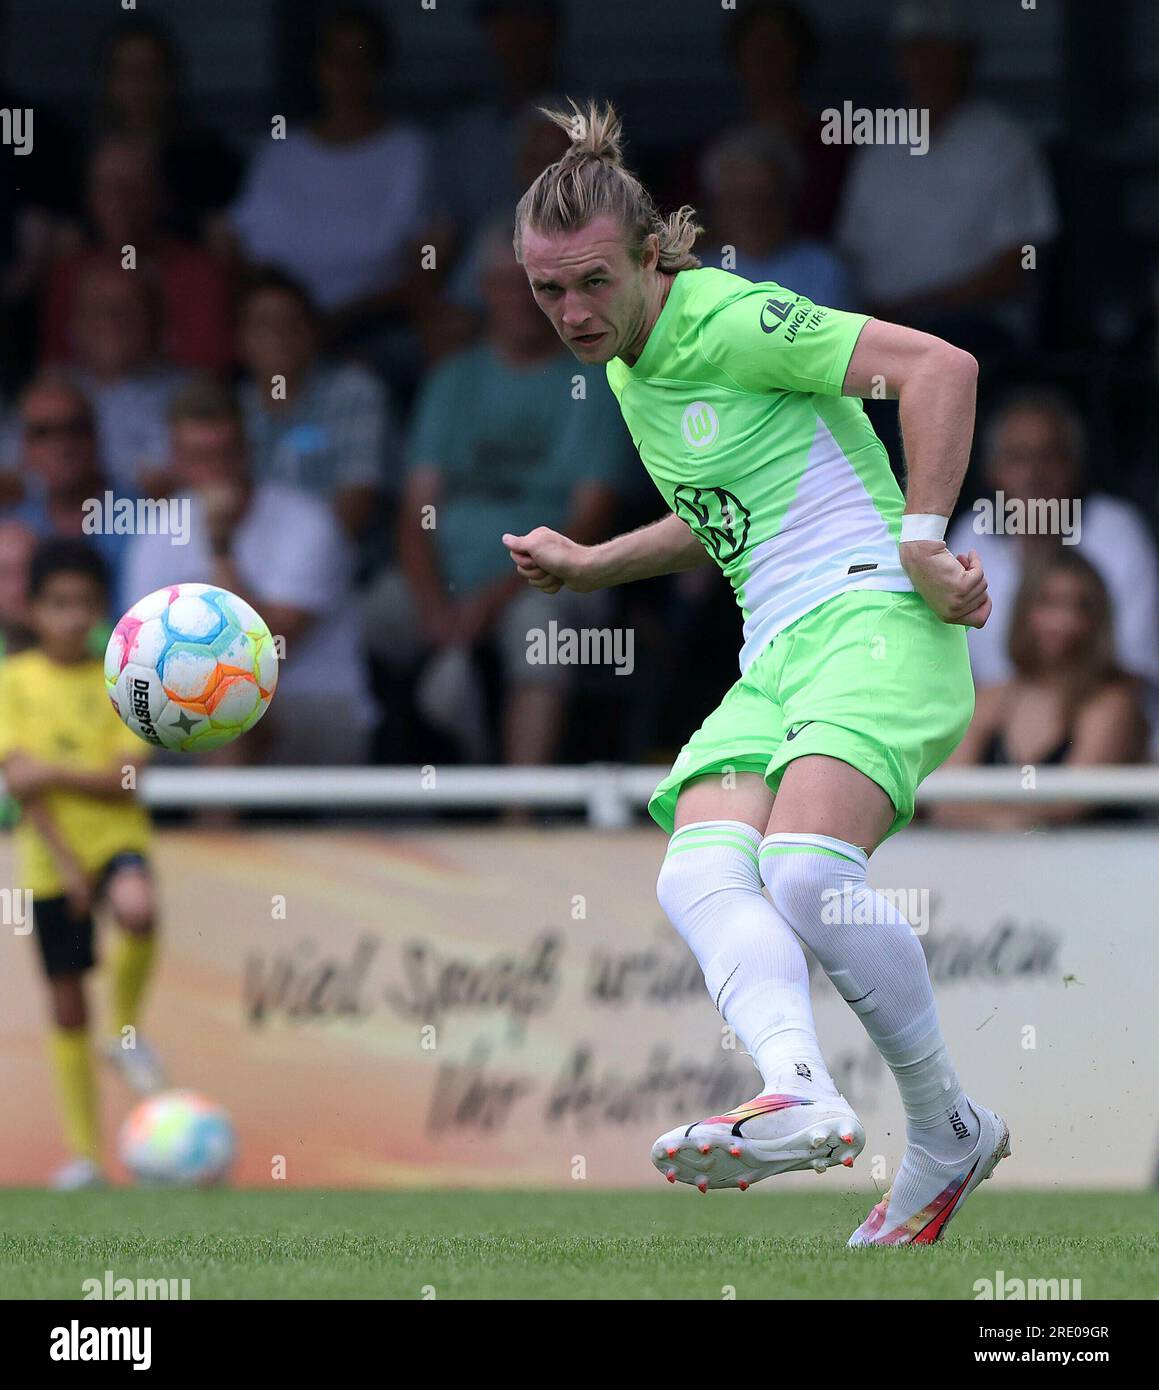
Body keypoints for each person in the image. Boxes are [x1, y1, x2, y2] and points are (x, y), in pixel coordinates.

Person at [504, 101, 1006, 1247]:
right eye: (546, 293)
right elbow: (719, 510)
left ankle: (942, 1126)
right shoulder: (631, 362)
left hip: (874, 616)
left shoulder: (730, 318)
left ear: (648, 257)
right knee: (697, 872)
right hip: (776, 649)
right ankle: (804, 1090)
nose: (571, 313)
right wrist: (593, 565)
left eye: (589, 283)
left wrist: (924, 535)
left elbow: (940, 365)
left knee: (805, 872)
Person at [366, 221, 630, 766]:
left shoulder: (596, 381)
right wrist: (435, 603)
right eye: (505, 284)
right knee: (371, 615)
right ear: (484, 291)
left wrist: (489, 600)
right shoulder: (451, 380)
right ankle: (376, 791)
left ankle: (520, 810)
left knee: (537, 630)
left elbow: (589, 522)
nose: (519, 299)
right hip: (445, 576)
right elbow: (417, 514)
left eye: (536, 285)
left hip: (554, 579)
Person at [0, 539, 163, 1190]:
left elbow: (126, 778)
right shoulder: (12, 679)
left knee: (137, 907)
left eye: (84, 605)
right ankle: (86, 1158)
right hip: (51, 860)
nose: (71, 618)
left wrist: (55, 772)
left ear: (102, 610)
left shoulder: (121, 676)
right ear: (33, 608)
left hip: (117, 840)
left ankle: (126, 1031)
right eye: (57, 604)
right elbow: (21, 786)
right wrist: (66, 863)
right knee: (67, 1004)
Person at [121, 378, 375, 765]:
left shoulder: (309, 523)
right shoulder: (159, 526)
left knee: (223, 698)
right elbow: (138, 642)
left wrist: (220, 544)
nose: (216, 470)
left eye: (226, 453)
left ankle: (216, 829)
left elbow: (260, 650)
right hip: (186, 699)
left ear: (249, 451)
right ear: (176, 460)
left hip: (315, 707)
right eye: (199, 457)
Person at [836, 0, 1058, 352]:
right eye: (917, 50)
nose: (928, 64)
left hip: (975, 331)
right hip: (879, 331)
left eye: (942, 50)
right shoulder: (879, 147)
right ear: (900, 59)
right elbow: (850, 254)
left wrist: (921, 307)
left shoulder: (1005, 141)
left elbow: (1017, 263)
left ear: (967, 57)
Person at [946, 388, 1159, 702]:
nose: (1034, 474)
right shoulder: (970, 535)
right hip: (988, 732)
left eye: (1050, 456)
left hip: (1102, 729)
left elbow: (1135, 673)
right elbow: (944, 668)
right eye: (1018, 457)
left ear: (1075, 465)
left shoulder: (1117, 531)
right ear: (992, 471)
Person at [931, 551, 1148, 829]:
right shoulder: (991, 699)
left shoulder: (1114, 703)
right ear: (1024, 610)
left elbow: (1070, 801)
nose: (1063, 619)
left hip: (1090, 866)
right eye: (1049, 602)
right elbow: (945, 798)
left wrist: (987, 819)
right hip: (987, 867)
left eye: (1080, 606)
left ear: (1098, 619)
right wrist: (1010, 825)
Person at [40, 134, 233, 373]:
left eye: (133, 187)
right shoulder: (68, 274)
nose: (119, 200)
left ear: (161, 196)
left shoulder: (201, 275)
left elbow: (207, 375)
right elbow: (56, 369)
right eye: (105, 187)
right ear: (89, 198)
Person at [236, 267, 396, 540]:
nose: (278, 336)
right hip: (254, 561)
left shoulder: (353, 391)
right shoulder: (234, 406)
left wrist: (295, 564)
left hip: (343, 563)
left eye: (290, 323)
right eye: (263, 325)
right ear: (241, 340)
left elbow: (355, 505)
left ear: (312, 331)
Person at [699, 124, 853, 308]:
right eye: (737, 199)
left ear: (788, 200)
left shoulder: (826, 271)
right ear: (716, 206)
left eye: (765, 197)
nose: (751, 212)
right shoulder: (697, 275)